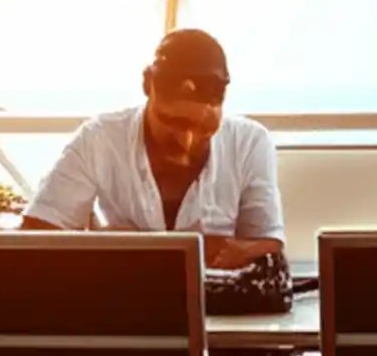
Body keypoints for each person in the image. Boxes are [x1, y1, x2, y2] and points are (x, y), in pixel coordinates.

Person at [20, 28, 285, 269]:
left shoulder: (250, 142)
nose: (187, 140)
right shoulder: (98, 139)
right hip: (117, 304)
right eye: (172, 122)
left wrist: (124, 248)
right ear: (148, 88)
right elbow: (36, 234)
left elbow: (268, 247)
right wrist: (213, 247)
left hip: (220, 313)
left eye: (204, 128)